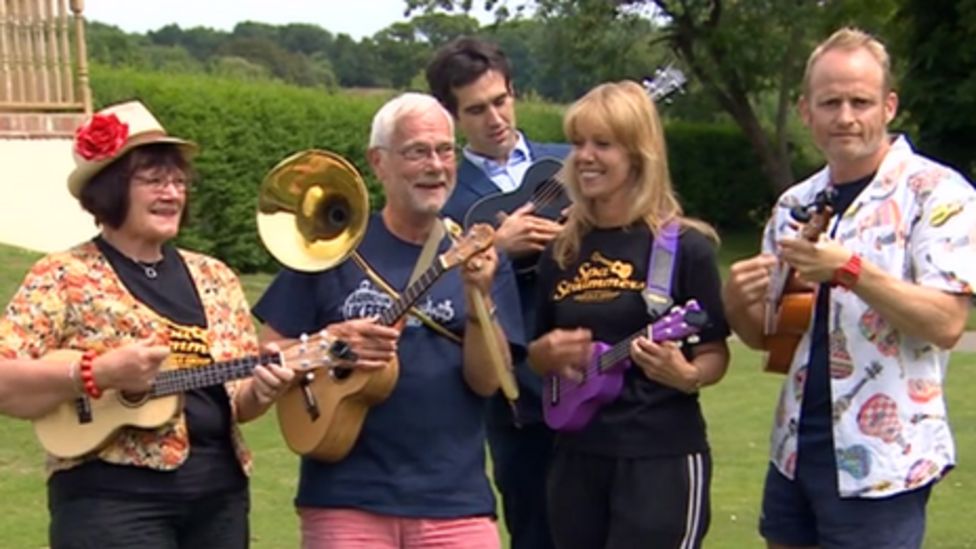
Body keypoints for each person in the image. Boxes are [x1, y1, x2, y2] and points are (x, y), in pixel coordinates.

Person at [722, 27, 976, 549]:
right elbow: (771, 341)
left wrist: (852, 271)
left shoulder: (937, 193)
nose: (845, 117)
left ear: (888, 106)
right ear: (805, 110)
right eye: (829, 101)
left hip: (884, 459)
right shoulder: (796, 202)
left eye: (860, 101)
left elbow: (948, 323)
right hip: (795, 449)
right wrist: (736, 300)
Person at [0, 100, 293, 548]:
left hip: (220, 497)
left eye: (178, 181)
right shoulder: (63, 275)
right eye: (154, 180)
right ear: (111, 188)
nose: (172, 193)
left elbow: (238, 403)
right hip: (109, 503)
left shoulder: (215, 277)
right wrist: (97, 374)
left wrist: (264, 389)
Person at [252, 92, 525, 549]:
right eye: (417, 151)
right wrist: (330, 341)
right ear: (378, 162)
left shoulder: (479, 253)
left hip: (454, 503)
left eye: (445, 150)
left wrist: (479, 298)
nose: (436, 165)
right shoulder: (329, 246)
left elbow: (486, 383)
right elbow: (267, 356)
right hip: (345, 499)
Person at [527, 81, 731, 549]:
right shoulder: (560, 250)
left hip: (659, 456)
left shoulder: (684, 248)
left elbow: (714, 348)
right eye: (578, 144)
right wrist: (543, 355)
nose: (585, 156)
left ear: (638, 154)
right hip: (576, 456)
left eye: (603, 144)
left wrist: (687, 374)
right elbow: (539, 352)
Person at [426, 36, 569, 549]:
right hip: (519, 391)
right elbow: (437, 290)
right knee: (535, 530)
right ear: (452, 116)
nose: (495, 118)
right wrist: (499, 247)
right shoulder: (445, 198)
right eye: (476, 109)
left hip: (598, 372)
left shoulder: (571, 162)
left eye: (501, 100)